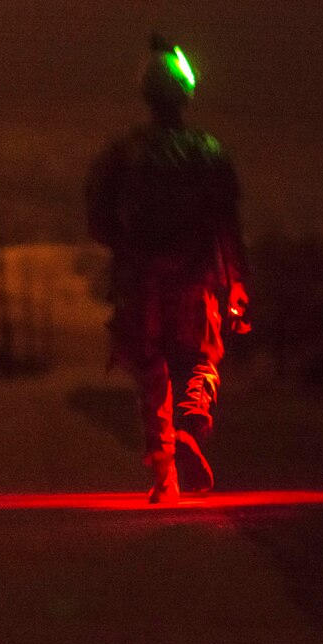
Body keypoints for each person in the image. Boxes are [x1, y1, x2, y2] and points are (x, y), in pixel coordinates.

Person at [85, 33, 251, 503]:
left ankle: (164, 473)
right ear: (185, 93)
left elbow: (98, 218)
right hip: (198, 276)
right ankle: (192, 426)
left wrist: (126, 248)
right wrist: (238, 281)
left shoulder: (122, 153)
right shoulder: (209, 151)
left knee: (149, 368)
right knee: (202, 360)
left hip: (139, 278)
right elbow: (227, 222)